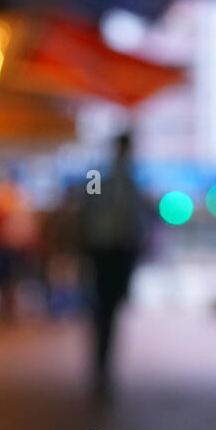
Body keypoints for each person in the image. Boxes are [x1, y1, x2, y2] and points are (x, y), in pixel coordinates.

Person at [78, 133, 149, 400]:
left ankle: (102, 367)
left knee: (106, 309)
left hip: (110, 251)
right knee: (107, 310)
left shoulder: (117, 181)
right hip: (110, 251)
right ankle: (101, 367)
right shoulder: (118, 181)